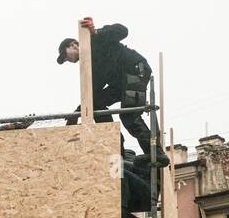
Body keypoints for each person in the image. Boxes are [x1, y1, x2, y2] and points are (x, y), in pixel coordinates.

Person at [57, 18, 157, 159]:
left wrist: (96, 32)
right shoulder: (90, 65)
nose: (68, 60)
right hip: (121, 82)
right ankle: (117, 146)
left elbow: (122, 30)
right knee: (96, 103)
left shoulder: (95, 41)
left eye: (65, 56)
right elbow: (92, 95)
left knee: (129, 115)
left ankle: (155, 154)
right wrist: (77, 113)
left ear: (74, 45)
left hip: (134, 70)